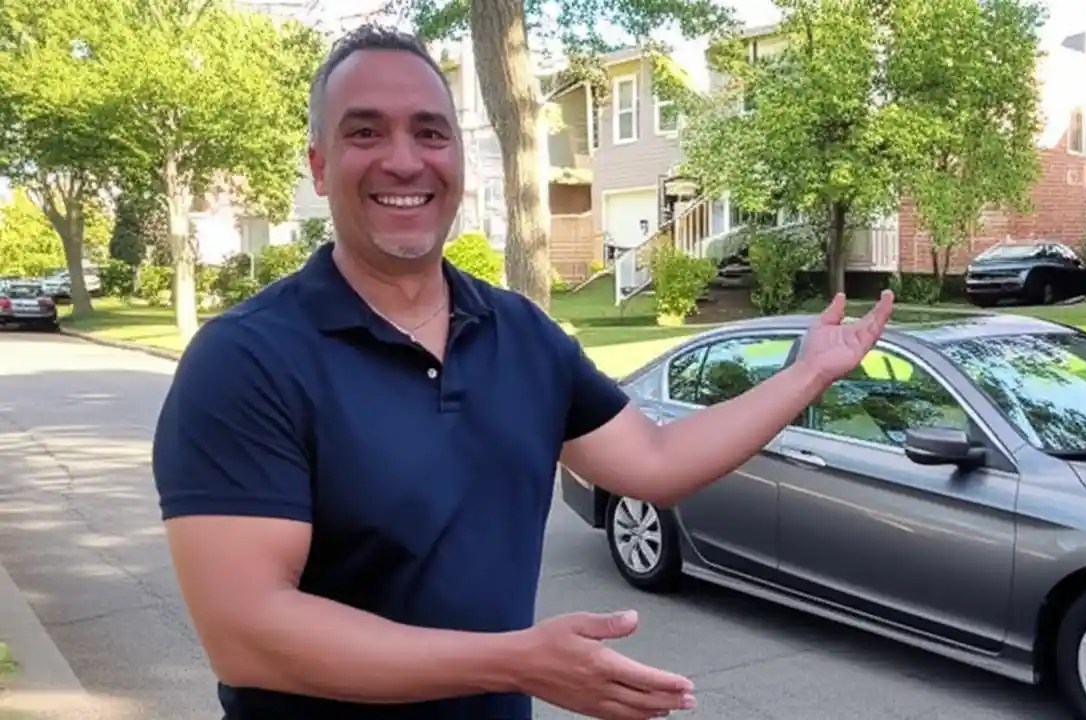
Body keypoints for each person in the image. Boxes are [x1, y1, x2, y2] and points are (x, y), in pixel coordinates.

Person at [151, 23, 894, 720]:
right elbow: (249, 633)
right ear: (319, 164)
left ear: (459, 161)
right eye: (365, 131)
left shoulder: (521, 335)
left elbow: (655, 462)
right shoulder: (246, 362)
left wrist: (806, 375)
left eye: (430, 132)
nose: (404, 160)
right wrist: (515, 663)